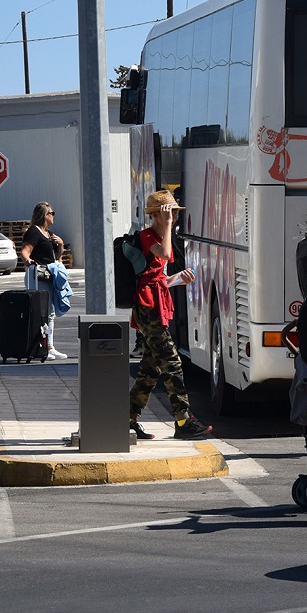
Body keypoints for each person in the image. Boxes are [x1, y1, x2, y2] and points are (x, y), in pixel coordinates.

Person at [128, 189, 211, 441]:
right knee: (172, 363)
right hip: (147, 306)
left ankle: (127, 419)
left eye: (174, 212)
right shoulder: (146, 235)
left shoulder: (159, 235)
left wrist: (178, 279)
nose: (173, 215)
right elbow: (163, 255)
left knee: (150, 370)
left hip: (156, 302)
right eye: (169, 211)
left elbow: (159, 278)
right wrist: (168, 225)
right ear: (157, 214)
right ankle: (183, 421)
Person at [18, 202, 70, 359]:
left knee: (50, 313)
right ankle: (41, 346)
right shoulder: (34, 232)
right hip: (37, 275)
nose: (53, 216)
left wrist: (60, 244)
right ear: (44, 215)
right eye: (51, 213)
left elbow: (58, 257)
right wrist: (27, 260)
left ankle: (49, 346)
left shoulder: (48, 234)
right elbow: (25, 251)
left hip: (49, 275)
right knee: (40, 312)